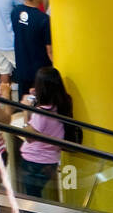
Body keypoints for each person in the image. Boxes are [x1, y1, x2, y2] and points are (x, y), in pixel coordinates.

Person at [18, 66, 73, 199]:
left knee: (32, 199)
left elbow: (29, 136)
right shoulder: (64, 103)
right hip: (51, 160)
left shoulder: (41, 113)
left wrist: (26, 109)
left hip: (33, 162)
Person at [11, 0, 52, 99]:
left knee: (24, 102)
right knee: (39, 102)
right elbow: (49, 50)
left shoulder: (15, 12)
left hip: (22, 66)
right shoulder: (43, 19)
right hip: (39, 71)